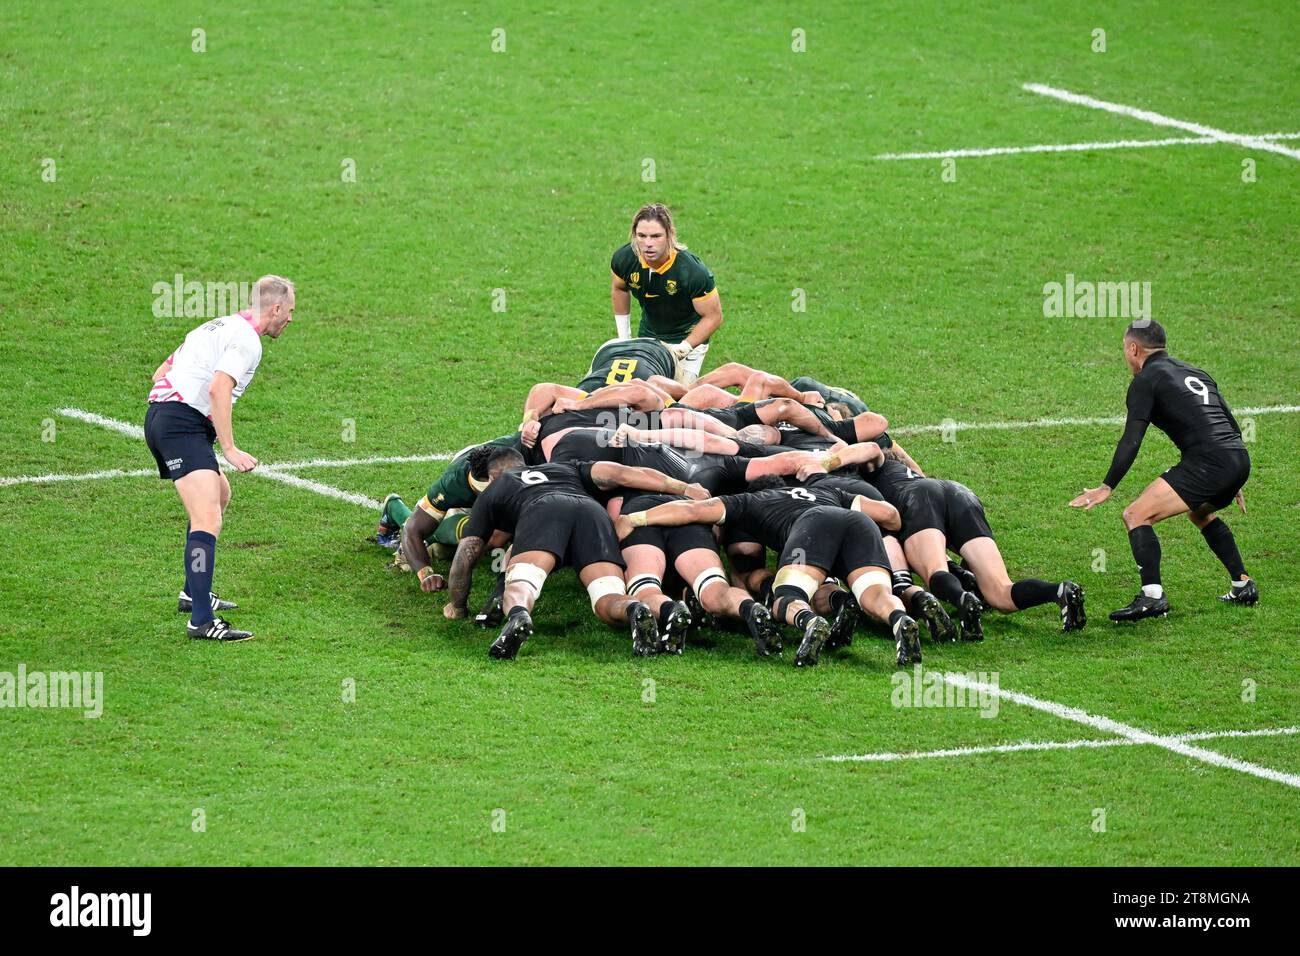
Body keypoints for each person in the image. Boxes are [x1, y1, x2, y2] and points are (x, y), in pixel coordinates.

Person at [616, 472, 920, 668]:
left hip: (813, 525)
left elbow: (693, 509)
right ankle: (899, 620)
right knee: (875, 593)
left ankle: (810, 622)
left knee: (784, 596)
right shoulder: (827, 491)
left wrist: (637, 519)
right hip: (857, 521)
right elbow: (891, 516)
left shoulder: (750, 501)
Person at [444, 448, 710, 659]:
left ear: (492, 476)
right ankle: (635, 608)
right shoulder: (564, 467)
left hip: (542, 513)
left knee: (524, 579)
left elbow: (468, 552)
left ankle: (518, 616)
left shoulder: (495, 489)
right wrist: (683, 488)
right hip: (590, 512)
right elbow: (621, 473)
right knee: (607, 594)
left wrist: (456, 606)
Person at [1069, 320, 1255, 621]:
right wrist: (1234, 477)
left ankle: (1152, 598)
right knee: (1199, 512)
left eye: (1124, 350)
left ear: (1133, 348)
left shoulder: (1145, 380)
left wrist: (1107, 486)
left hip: (1208, 462)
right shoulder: (1196, 372)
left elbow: (1132, 439)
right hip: (1236, 458)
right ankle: (1242, 584)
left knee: (1135, 515)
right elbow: (1228, 421)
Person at [144, 275, 296, 641]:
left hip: (170, 418)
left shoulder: (216, 326)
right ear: (275, 308)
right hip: (181, 425)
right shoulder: (247, 341)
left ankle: (191, 591)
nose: (290, 319)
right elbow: (218, 388)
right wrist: (229, 448)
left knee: (219, 496)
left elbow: (160, 373)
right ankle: (200, 620)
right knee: (207, 516)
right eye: (290, 311)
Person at [869, 454, 1086, 638]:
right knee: (1000, 593)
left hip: (918, 499)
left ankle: (963, 599)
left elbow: (870, 443)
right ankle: (1060, 591)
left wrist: (834, 457)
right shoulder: (898, 462)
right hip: (958, 493)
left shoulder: (860, 459)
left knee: (935, 571)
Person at [610, 203, 721, 382]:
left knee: (678, 398)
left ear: (669, 235)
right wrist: (624, 339)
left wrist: (684, 348)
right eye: (642, 236)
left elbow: (713, 317)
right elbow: (620, 288)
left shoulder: (692, 271)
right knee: (639, 391)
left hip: (686, 341)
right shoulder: (624, 259)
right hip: (648, 336)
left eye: (656, 236)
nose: (648, 244)